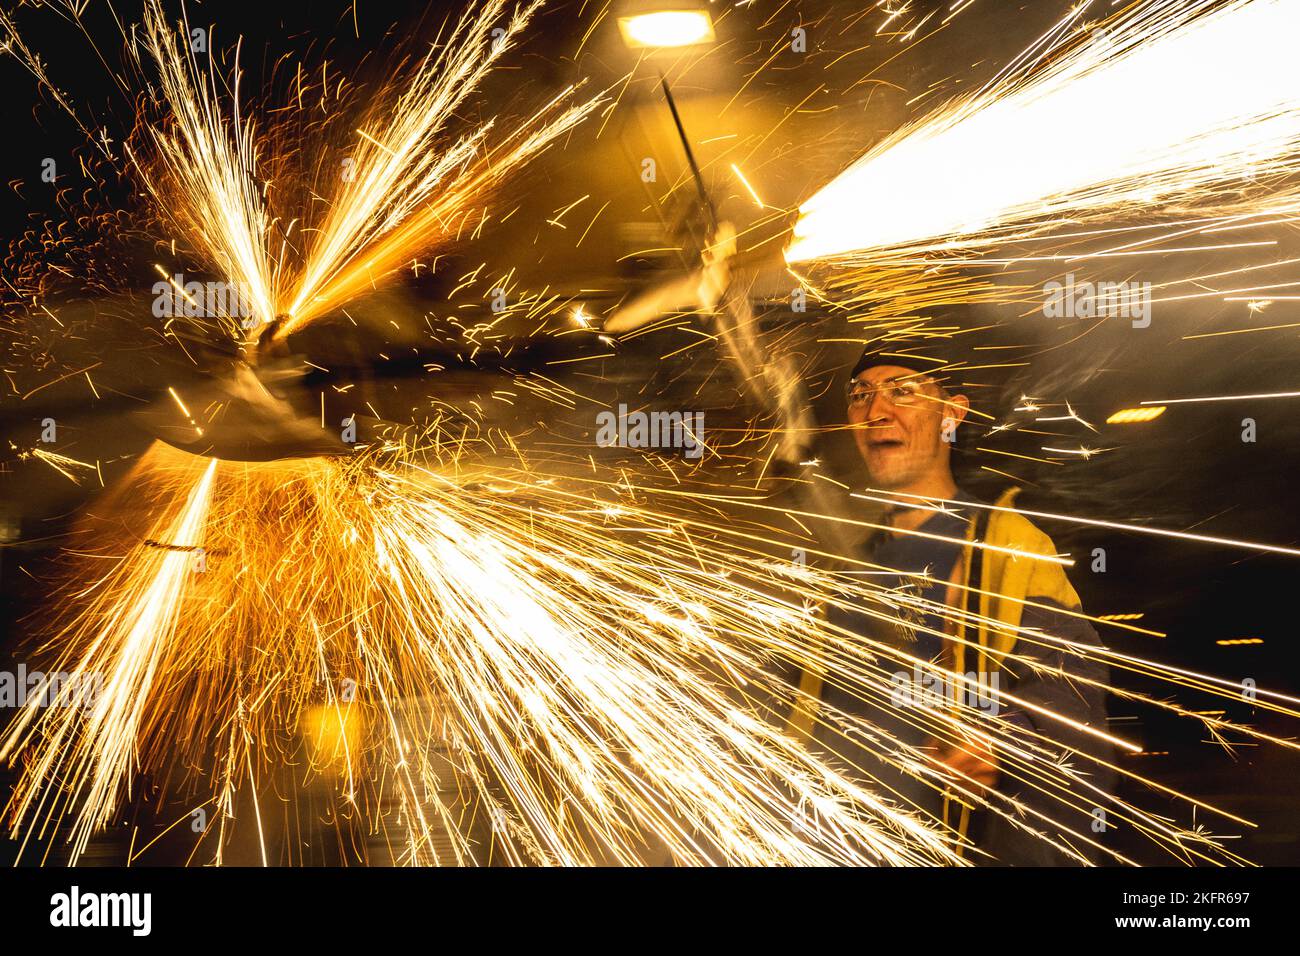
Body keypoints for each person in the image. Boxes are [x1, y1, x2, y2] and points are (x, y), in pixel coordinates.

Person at [789, 342, 1114, 864]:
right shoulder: (843, 570)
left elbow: (1074, 720)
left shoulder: (1011, 546)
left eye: (904, 391)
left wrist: (1002, 748)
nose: (876, 411)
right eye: (860, 395)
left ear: (953, 413)